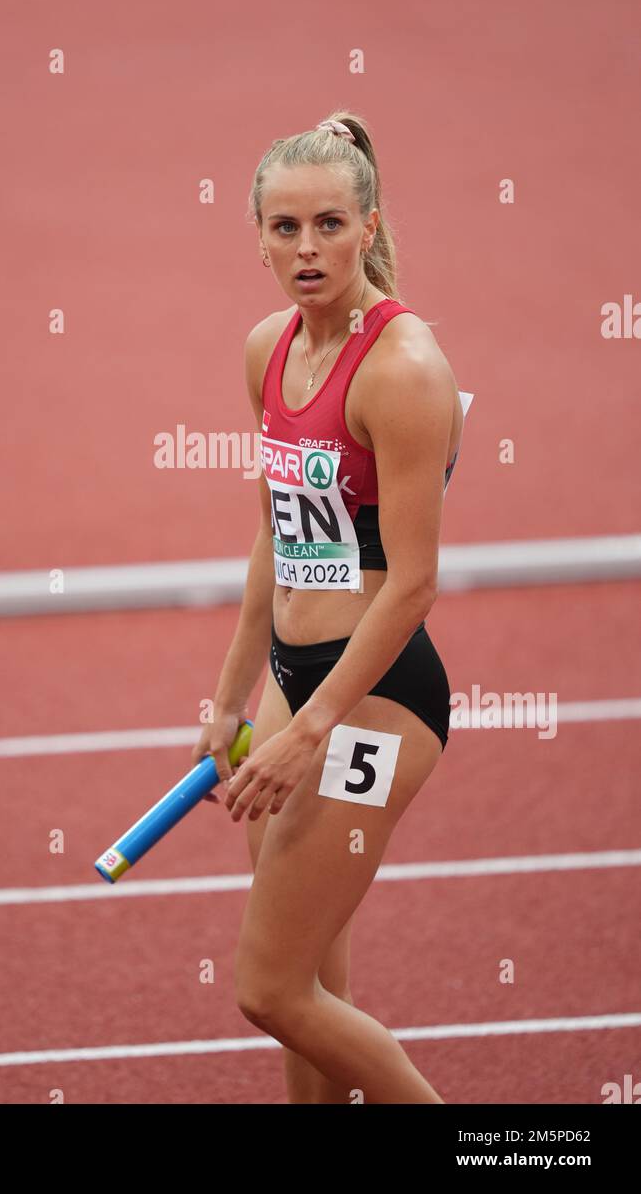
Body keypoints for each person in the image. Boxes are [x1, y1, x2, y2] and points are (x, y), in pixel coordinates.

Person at [191, 110, 467, 1104]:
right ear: (256, 234)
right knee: (312, 980)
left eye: (328, 225)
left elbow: (413, 581)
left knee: (267, 988)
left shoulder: (401, 370)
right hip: (292, 679)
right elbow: (276, 533)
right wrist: (230, 697)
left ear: (368, 224)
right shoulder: (266, 349)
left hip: (376, 700)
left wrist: (311, 731)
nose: (305, 250)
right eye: (283, 228)